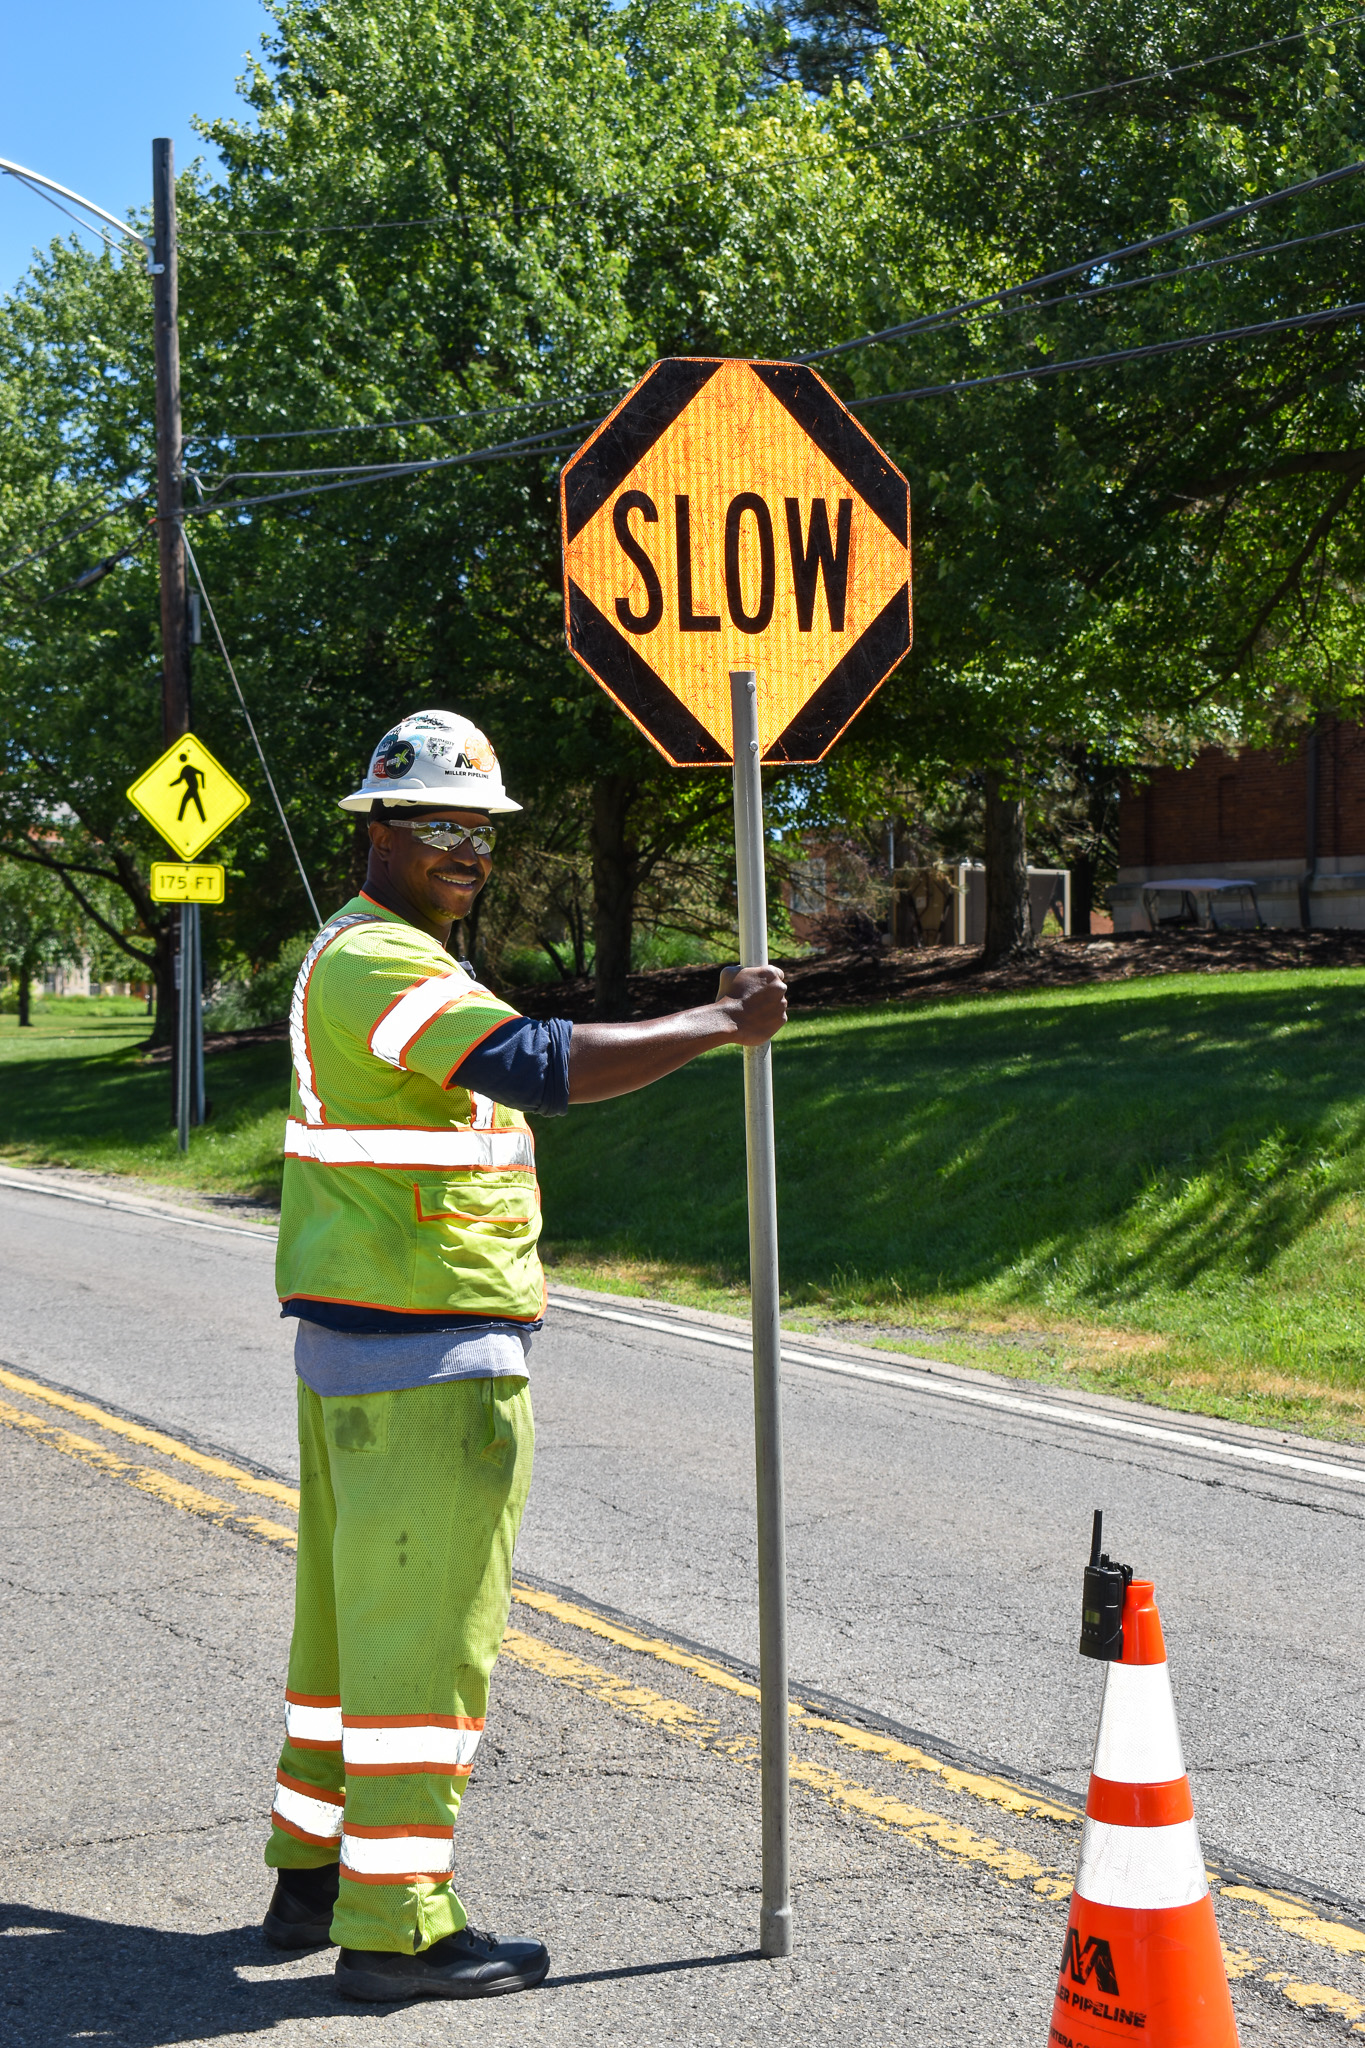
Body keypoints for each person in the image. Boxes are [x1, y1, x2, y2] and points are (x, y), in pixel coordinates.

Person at [263, 709, 786, 2003]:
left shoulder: (370, 953)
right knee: (425, 1654)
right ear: (375, 829)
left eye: (480, 828)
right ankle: (397, 1931)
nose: (466, 848)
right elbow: (537, 1064)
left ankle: (310, 1876)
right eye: (437, 823)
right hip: (426, 1363)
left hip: (361, 1350)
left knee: (340, 1647)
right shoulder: (385, 961)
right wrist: (718, 1024)